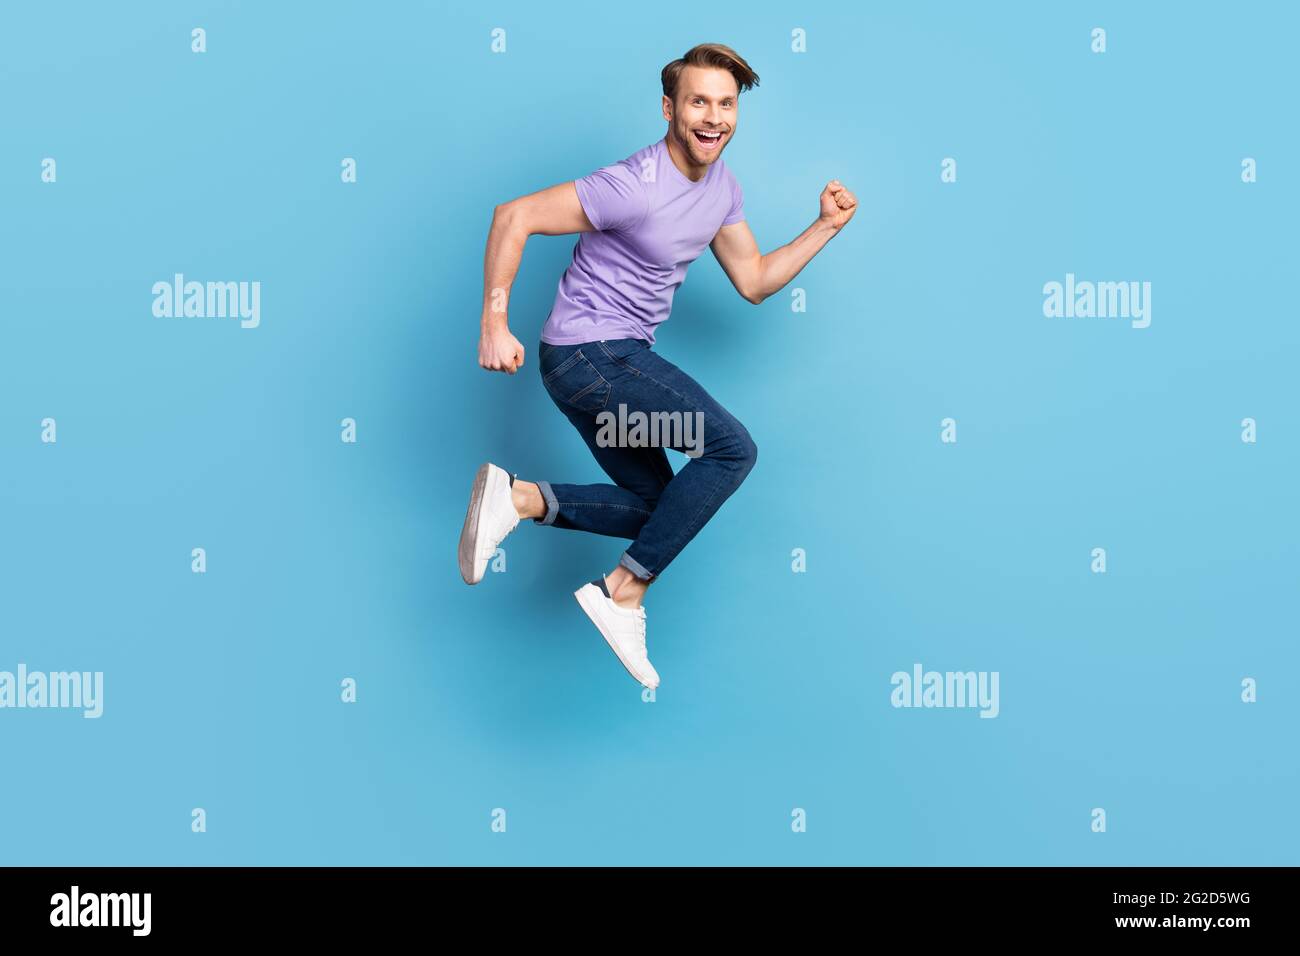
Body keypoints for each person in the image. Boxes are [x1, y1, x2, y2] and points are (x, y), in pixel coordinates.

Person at [459, 42, 857, 689]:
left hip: (591, 374)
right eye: (699, 101)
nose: (713, 117)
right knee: (731, 451)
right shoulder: (633, 185)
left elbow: (753, 280)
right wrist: (494, 323)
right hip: (595, 359)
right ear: (669, 107)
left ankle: (520, 498)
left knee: (661, 507)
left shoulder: (722, 190)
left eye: (725, 104)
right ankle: (623, 591)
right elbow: (515, 216)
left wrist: (825, 227)